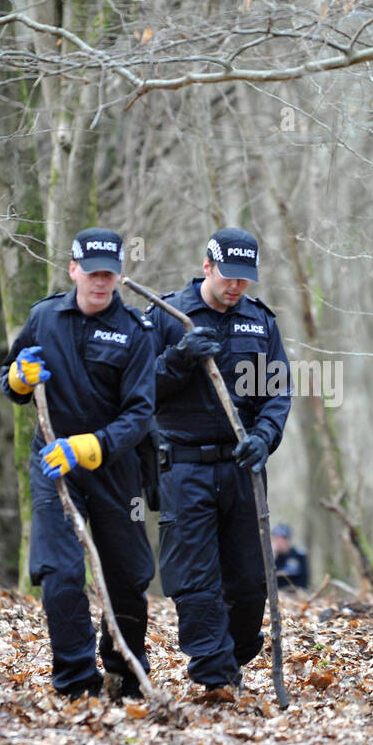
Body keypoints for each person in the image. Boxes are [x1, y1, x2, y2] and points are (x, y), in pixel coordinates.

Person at [1, 228, 156, 701]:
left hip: (115, 468)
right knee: (61, 572)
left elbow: (139, 415)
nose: (100, 282)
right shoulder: (44, 317)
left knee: (129, 576)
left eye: (109, 273)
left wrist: (90, 447)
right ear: (74, 269)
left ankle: (125, 673)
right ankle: (75, 682)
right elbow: (11, 385)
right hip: (54, 465)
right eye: (92, 272)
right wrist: (19, 378)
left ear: (119, 275)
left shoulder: (136, 331)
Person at [150, 228, 292, 692]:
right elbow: (135, 389)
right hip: (184, 467)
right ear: (207, 266)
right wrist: (178, 359)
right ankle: (214, 676)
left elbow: (277, 393)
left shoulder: (260, 321)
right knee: (197, 580)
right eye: (228, 276)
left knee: (250, 583)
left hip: (242, 469)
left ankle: (231, 656)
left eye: (245, 279)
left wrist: (264, 437)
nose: (236, 287)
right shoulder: (169, 316)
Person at [272, 523, 310, 592]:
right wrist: (273, 556)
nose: (280, 541)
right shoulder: (269, 558)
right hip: (276, 594)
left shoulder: (298, 555)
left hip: (295, 593)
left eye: (283, 538)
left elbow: (304, 580)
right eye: (277, 538)